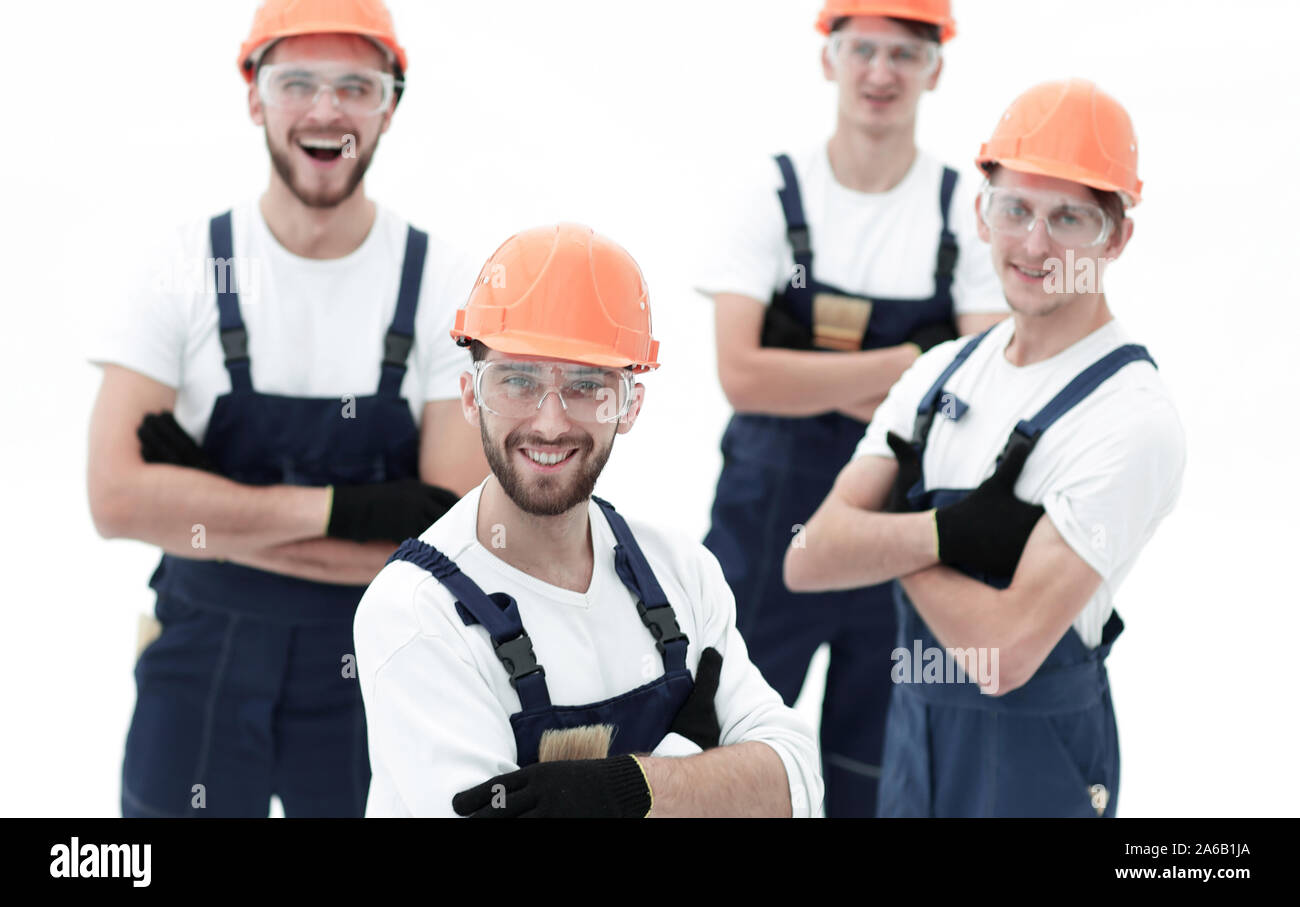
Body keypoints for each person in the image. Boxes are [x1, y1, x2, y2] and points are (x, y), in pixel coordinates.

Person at [86, 0, 488, 818]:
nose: (326, 108)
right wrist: (355, 513)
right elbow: (115, 500)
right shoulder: (186, 269)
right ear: (254, 97)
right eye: (295, 80)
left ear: (391, 103)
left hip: (375, 659)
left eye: (356, 85)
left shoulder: (447, 284)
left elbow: (448, 541)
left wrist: (211, 510)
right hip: (199, 653)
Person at [784, 78, 1187, 817]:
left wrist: (887, 537)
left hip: (1035, 769)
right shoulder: (941, 370)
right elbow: (808, 557)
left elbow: (1002, 656)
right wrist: (943, 533)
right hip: (911, 743)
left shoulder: (1129, 418)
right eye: (1016, 210)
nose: (1035, 244)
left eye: (1069, 218)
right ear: (982, 213)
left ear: (1118, 236)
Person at [353, 224, 824, 817]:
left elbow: (797, 781)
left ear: (629, 406)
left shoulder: (681, 573)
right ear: (471, 396)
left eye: (586, 386)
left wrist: (634, 788)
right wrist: (691, 761)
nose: (550, 424)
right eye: (518, 382)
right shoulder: (417, 613)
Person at [695, 0, 1008, 816]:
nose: (880, 73)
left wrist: (805, 370)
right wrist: (912, 364)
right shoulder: (769, 192)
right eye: (863, 49)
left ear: (936, 67)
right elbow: (741, 375)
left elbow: (979, 396)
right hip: (766, 533)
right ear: (827, 57)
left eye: (904, 54)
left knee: (878, 769)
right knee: (717, 745)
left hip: (897, 544)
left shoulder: (968, 214)